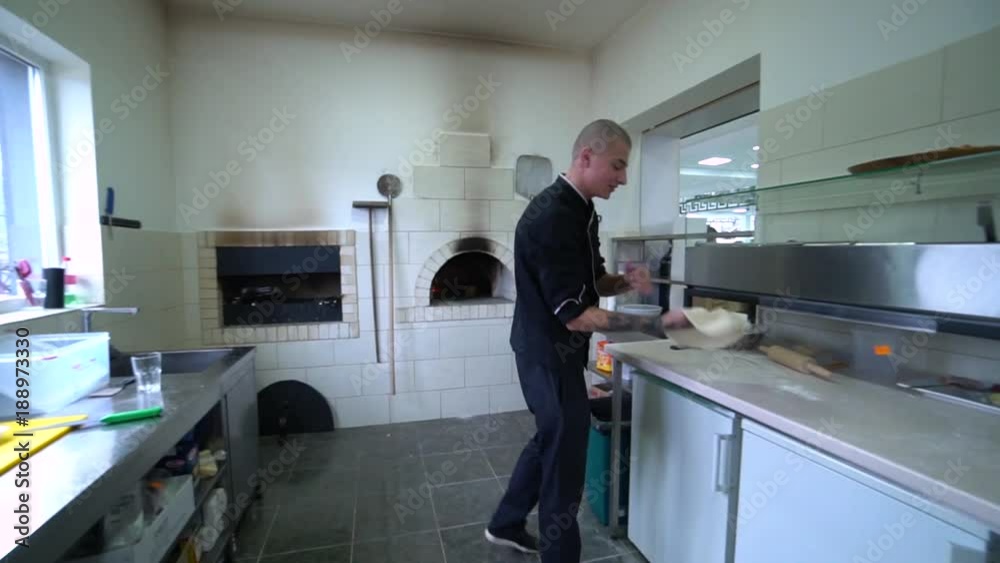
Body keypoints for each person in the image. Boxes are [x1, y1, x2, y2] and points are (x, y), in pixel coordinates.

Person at [485, 119, 690, 562]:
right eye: (617, 165)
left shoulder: (581, 211)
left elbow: (594, 282)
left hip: (553, 351)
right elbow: (577, 317)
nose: (623, 177)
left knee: (550, 438)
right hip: (546, 353)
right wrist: (659, 326)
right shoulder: (552, 217)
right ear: (585, 157)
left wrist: (625, 283)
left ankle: (505, 523)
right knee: (564, 465)